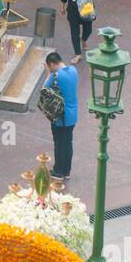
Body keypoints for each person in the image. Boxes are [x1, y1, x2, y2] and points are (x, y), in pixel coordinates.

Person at [41, 52, 80, 182]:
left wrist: (48, 74)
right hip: (73, 114)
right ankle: (67, 171)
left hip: (60, 116)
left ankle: (58, 171)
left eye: (49, 66)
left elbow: (44, 89)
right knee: (68, 143)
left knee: (59, 144)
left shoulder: (55, 75)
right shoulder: (74, 70)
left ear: (52, 64)